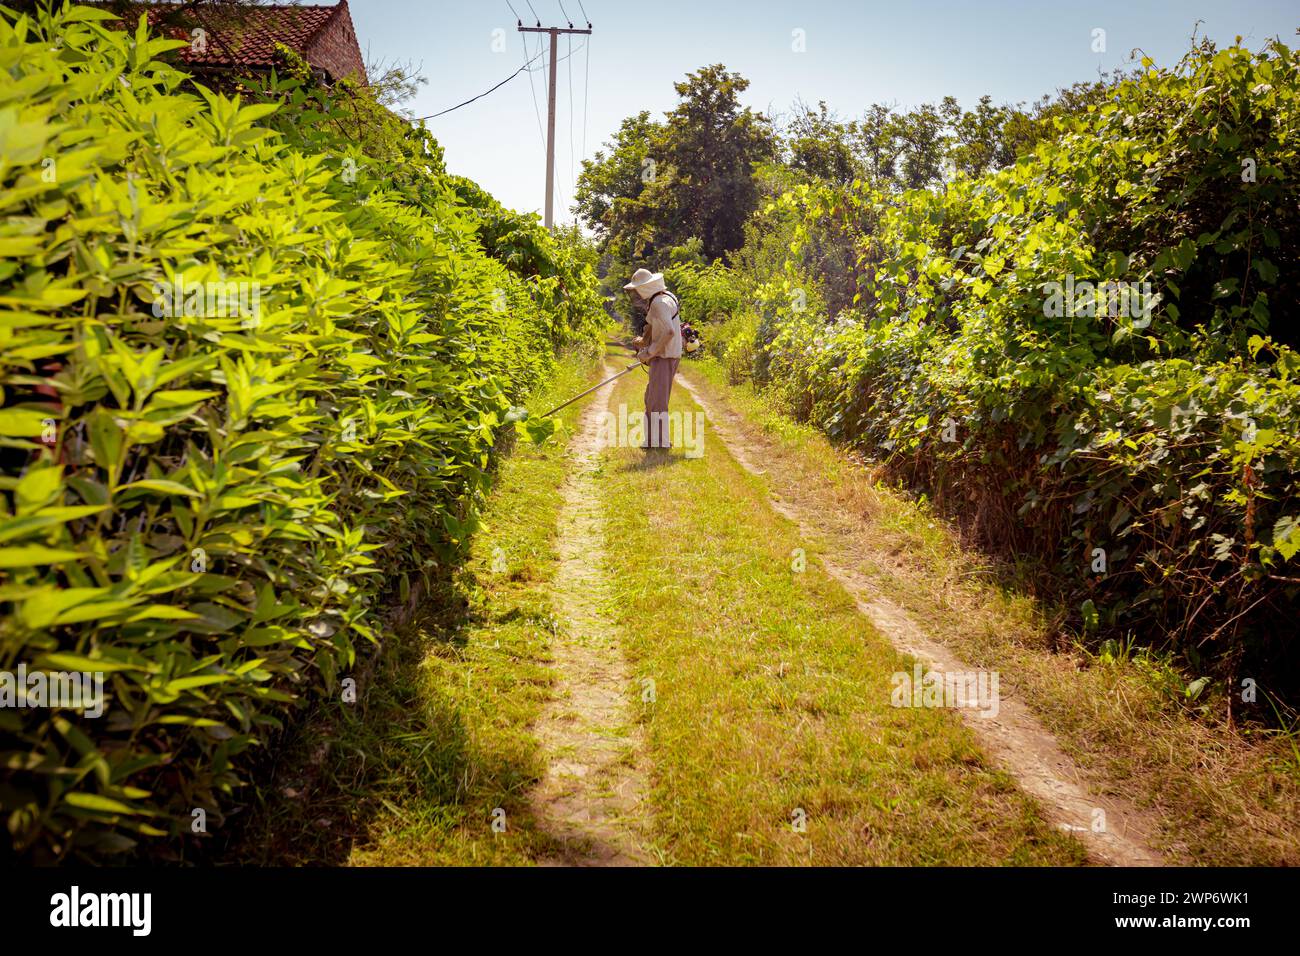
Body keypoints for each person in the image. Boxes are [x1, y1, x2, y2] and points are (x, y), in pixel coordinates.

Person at [624, 267, 682, 451]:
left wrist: (649, 352)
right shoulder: (662, 298)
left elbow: (668, 331)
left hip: (664, 357)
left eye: (638, 289)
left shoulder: (659, 303)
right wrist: (643, 342)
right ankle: (651, 440)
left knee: (657, 401)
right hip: (664, 356)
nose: (637, 294)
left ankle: (661, 443)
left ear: (646, 287)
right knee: (651, 398)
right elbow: (654, 326)